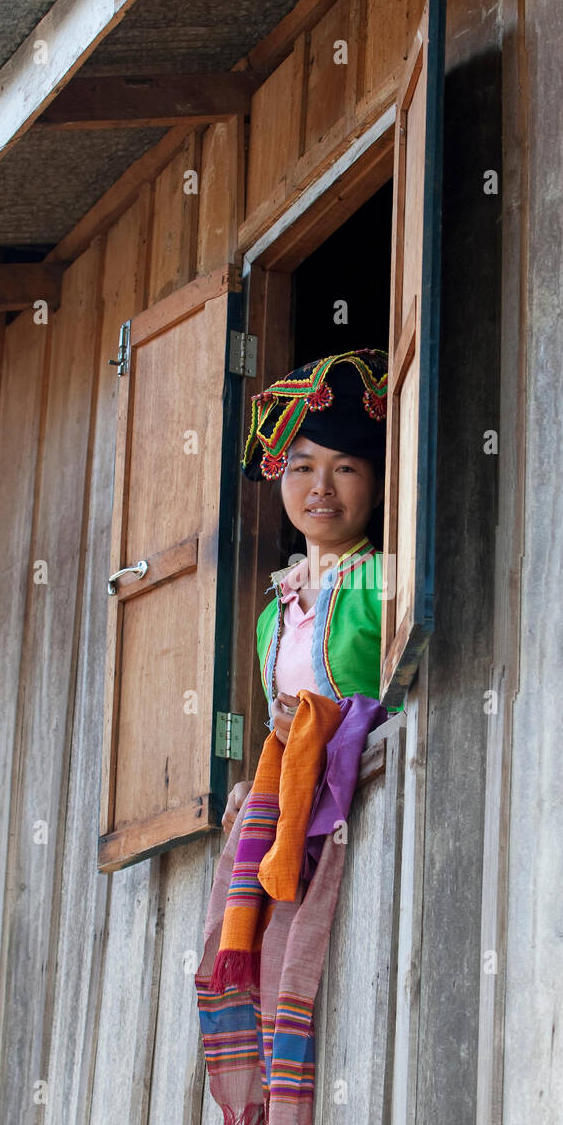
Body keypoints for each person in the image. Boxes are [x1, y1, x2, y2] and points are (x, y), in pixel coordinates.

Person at [222, 347, 400, 834]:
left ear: (380, 487)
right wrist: (251, 786)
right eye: (302, 468)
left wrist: (321, 728)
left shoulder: (389, 581)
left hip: (379, 813)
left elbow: (421, 706)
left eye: (345, 469)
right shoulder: (272, 617)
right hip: (300, 818)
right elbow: (282, 736)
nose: (321, 487)